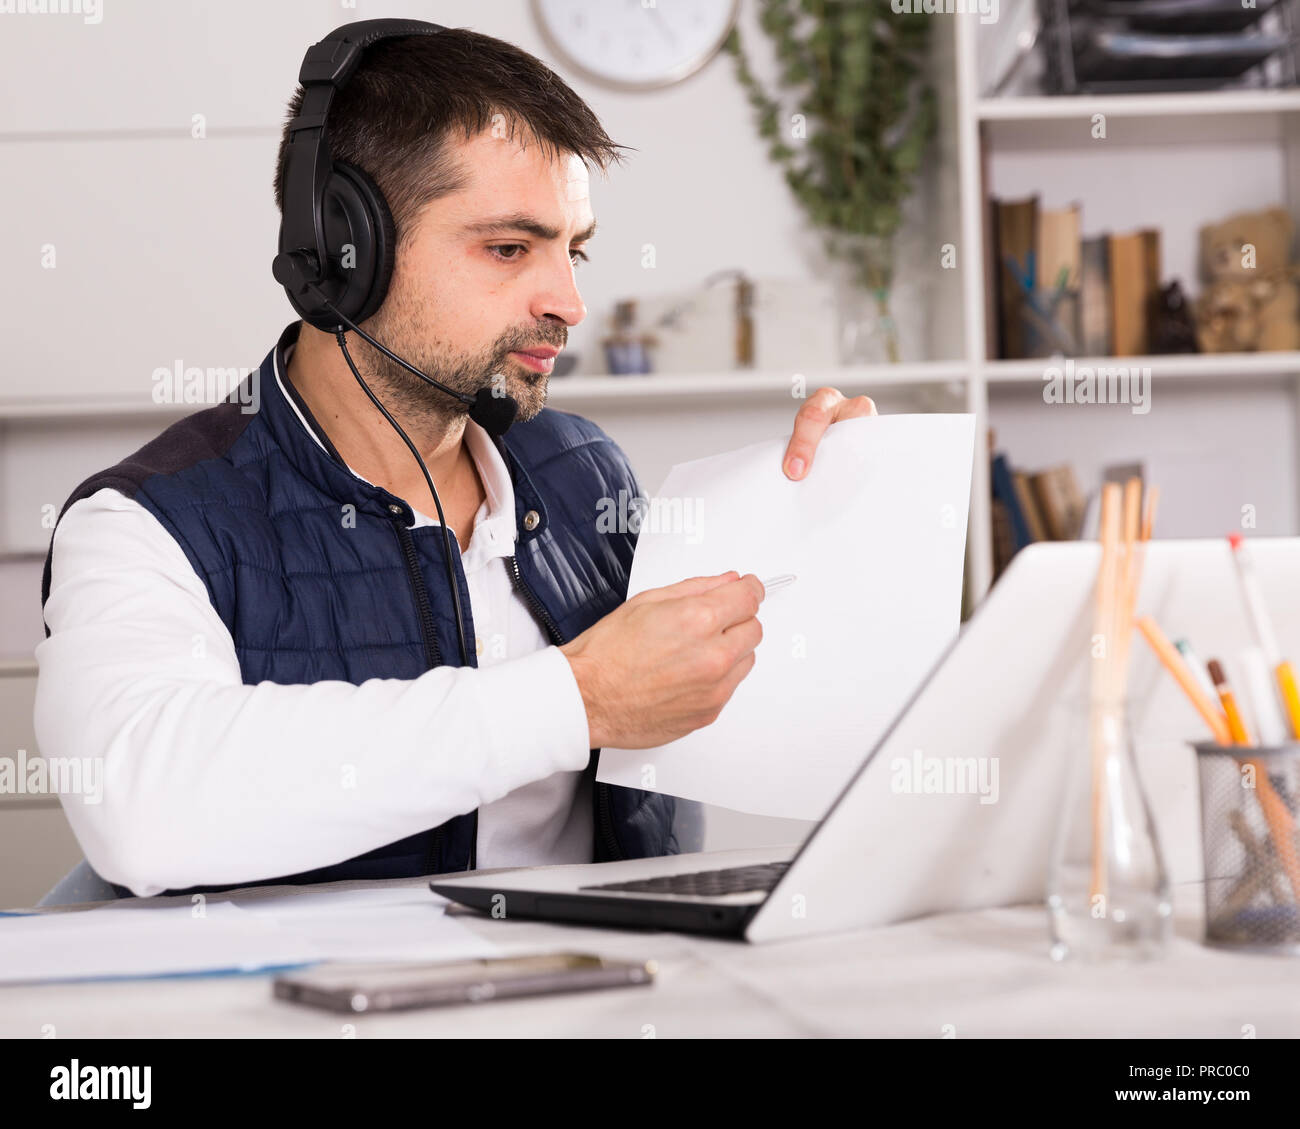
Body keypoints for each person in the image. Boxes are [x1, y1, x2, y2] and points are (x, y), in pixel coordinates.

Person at [34, 25, 876, 899]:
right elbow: (141, 809)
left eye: (573, 249)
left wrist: (824, 517)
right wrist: (574, 698)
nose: (570, 302)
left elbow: (729, 727)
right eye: (510, 249)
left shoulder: (587, 476)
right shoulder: (144, 524)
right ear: (344, 251)